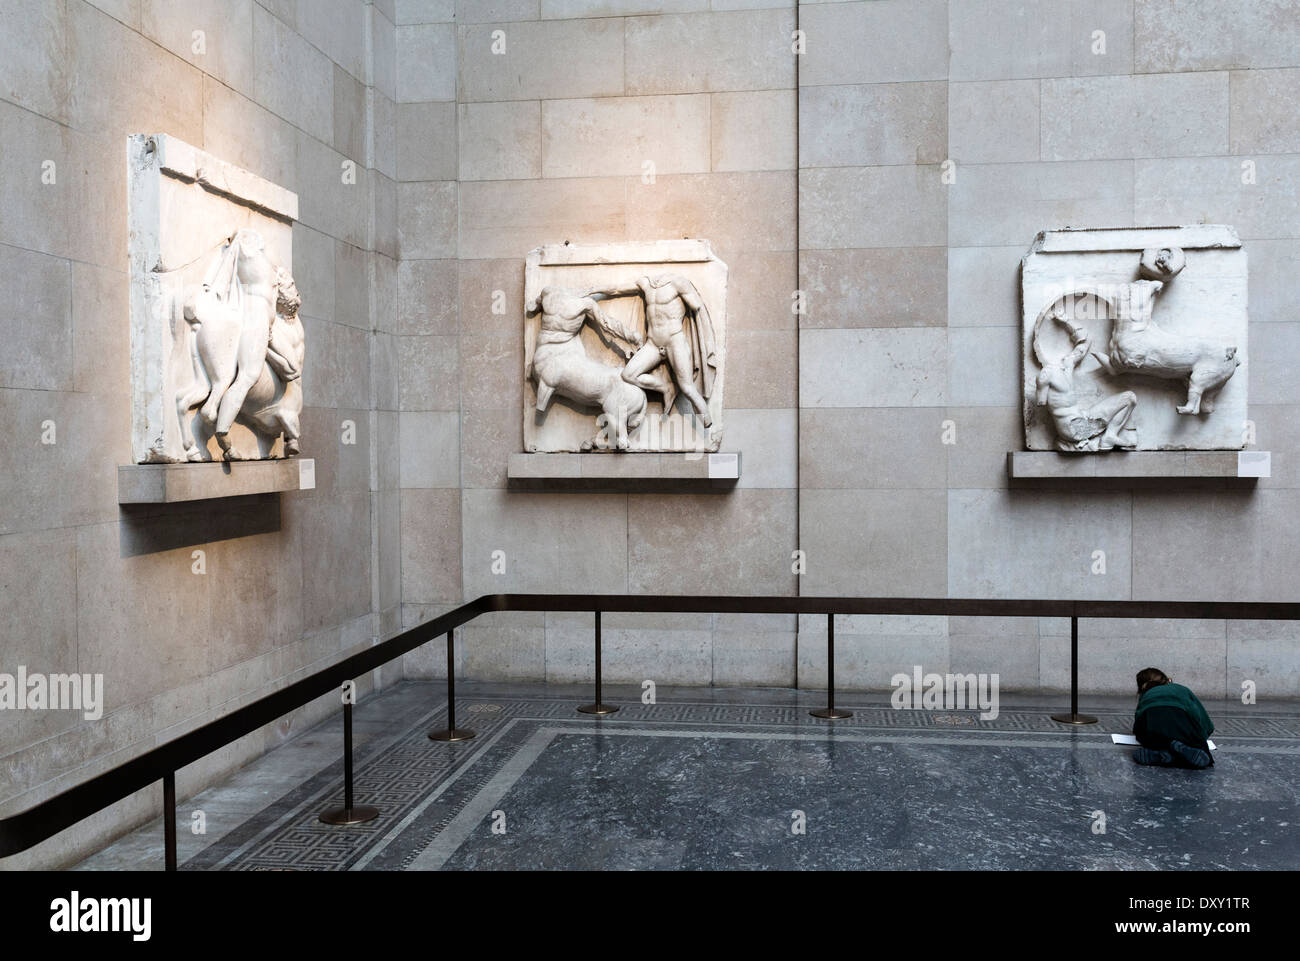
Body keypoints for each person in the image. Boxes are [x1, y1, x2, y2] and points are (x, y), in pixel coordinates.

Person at [1131, 668, 1214, 769]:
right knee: (1200, 750)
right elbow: (1204, 720)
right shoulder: (1182, 689)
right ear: (1167, 679)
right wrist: (1201, 739)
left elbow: (1138, 726)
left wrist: (1142, 739)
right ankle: (1181, 749)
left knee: (1152, 741)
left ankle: (1162, 753)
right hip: (1184, 727)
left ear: (1141, 688)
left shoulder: (1146, 695)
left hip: (1156, 734)